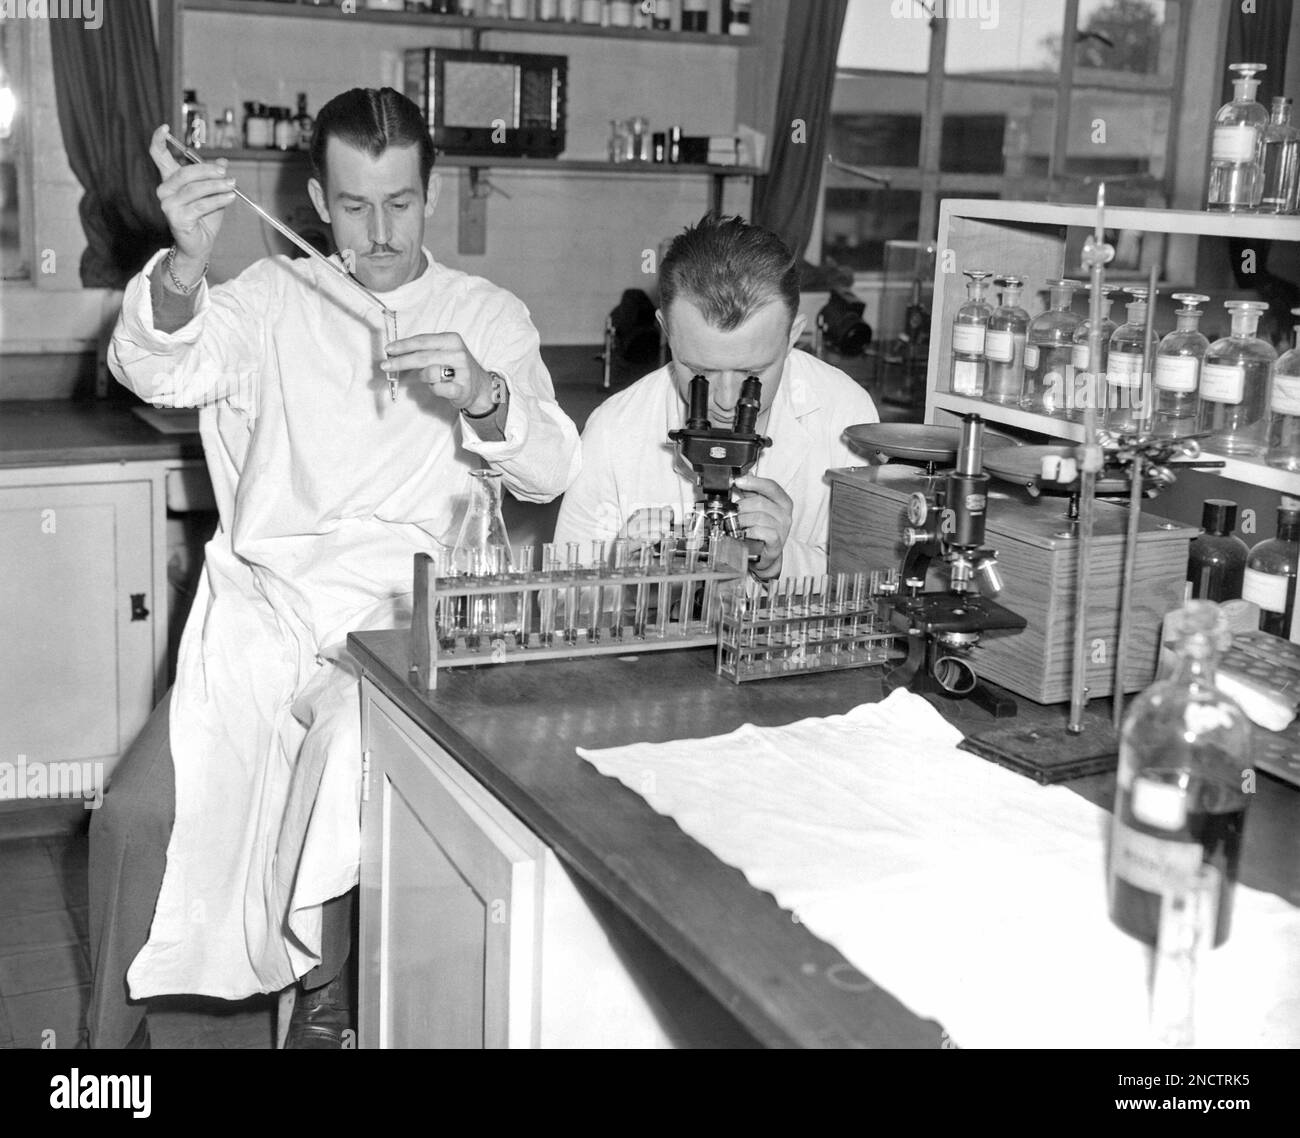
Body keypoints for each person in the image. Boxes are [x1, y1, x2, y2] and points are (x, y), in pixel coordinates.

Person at [89, 87, 579, 1048]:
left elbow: (553, 466)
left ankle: (329, 997)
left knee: (346, 797)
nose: (379, 231)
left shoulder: (487, 314)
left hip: (405, 627)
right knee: (136, 818)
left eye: (400, 203)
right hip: (268, 619)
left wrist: (482, 396)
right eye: (355, 206)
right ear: (316, 196)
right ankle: (106, 1056)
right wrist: (185, 265)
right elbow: (157, 368)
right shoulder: (271, 299)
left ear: (429, 195)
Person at [553, 214, 879, 581]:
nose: (725, 400)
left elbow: (872, 583)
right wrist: (625, 583)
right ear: (666, 331)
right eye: (700, 373)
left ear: (792, 337)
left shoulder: (846, 417)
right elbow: (565, 601)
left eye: (752, 375)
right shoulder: (615, 430)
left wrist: (780, 565)